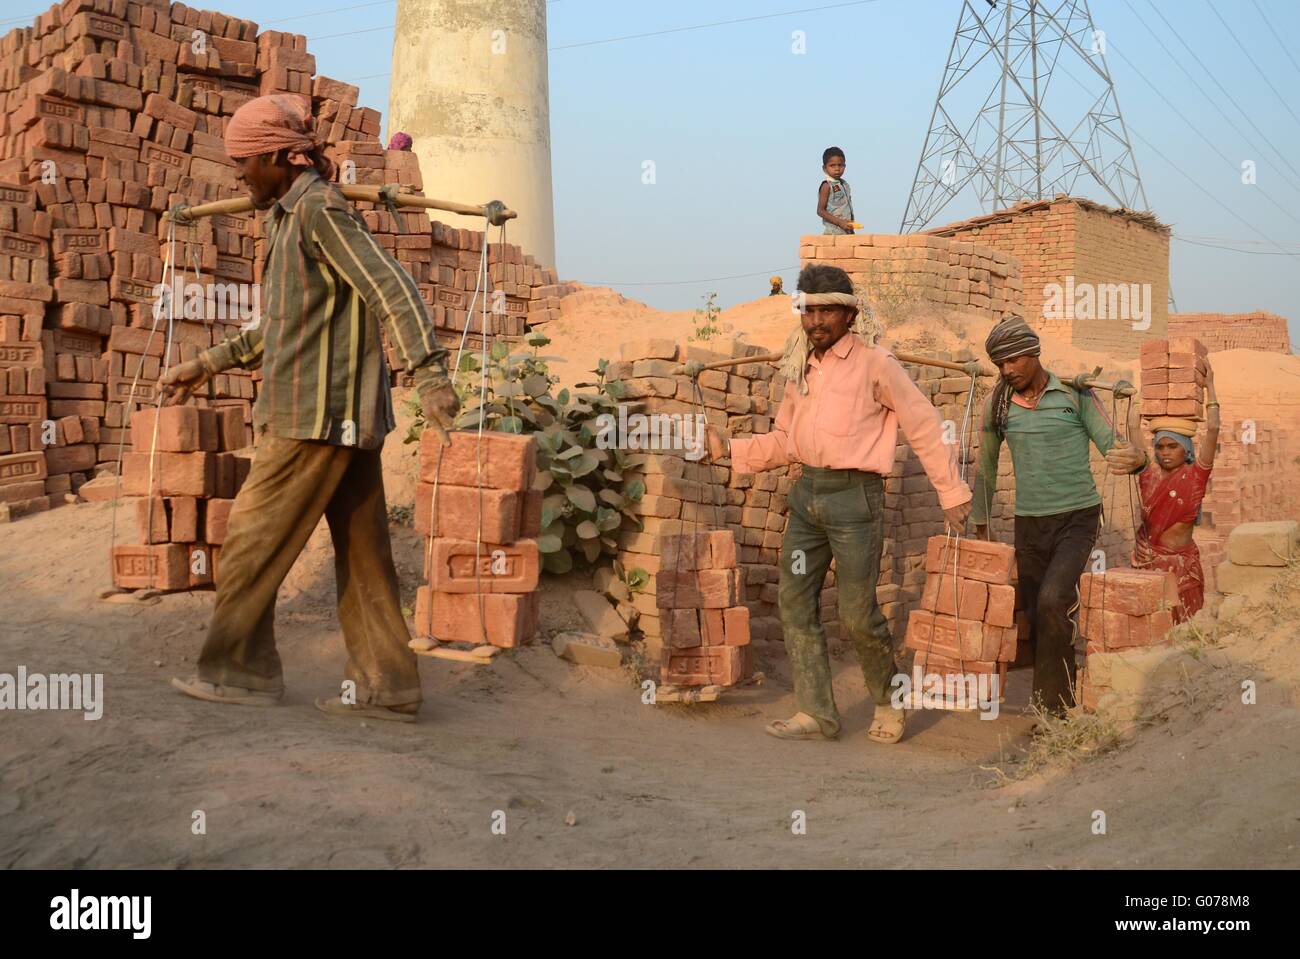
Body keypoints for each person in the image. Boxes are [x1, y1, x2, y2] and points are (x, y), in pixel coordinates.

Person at [161, 95, 460, 723]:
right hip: (340, 417)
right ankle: (387, 685)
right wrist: (207, 363)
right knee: (364, 557)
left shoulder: (320, 211)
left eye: (244, 162)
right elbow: (282, 327)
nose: (238, 175)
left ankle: (239, 671)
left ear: (276, 156)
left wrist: (429, 373)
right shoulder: (286, 218)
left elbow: (392, 286)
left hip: (314, 417)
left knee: (249, 541)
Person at [706, 264, 972, 745]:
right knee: (795, 603)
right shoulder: (800, 367)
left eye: (826, 310)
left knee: (856, 614)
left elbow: (924, 426)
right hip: (807, 497)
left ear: (848, 314)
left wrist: (951, 492)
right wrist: (730, 448)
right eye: (808, 310)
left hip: (856, 500)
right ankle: (816, 714)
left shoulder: (877, 364)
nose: (815, 321)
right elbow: (785, 441)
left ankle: (890, 703)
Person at [972, 315, 1147, 715]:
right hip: (1028, 523)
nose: (1008, 370)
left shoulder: (1076, 395)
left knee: (1054, 599)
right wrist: (978, 523)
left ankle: (1051, 711)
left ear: (1034, 353)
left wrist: (1136, 458)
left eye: (1015, 360)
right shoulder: (996, 406)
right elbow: (986, 467)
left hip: (1077, 517)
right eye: (1001, 364)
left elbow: (1113, 445)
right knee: (1037, 612)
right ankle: (1058, 695)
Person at [1132, 360, 1219, 620]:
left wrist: (1211, 387)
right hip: (1148, 563)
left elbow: (1213, 428)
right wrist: (1143, 391)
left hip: (1181, 570)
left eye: (1172, 446)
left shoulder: (1195, 478)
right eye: (1160, 447)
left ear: (1186, 449)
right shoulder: (1148, 476)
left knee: (1183, 635)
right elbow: (1133, 428)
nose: (1165, 453)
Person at [816, 147, 856, 235]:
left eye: (840, 165)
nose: (837, 168)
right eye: (832, 165)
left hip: (847, 229)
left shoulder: (845, 184)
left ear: (845, 166)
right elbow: (820, 210)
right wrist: (839, 222)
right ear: (824, 168)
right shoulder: (826, 186)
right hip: (834, 231)